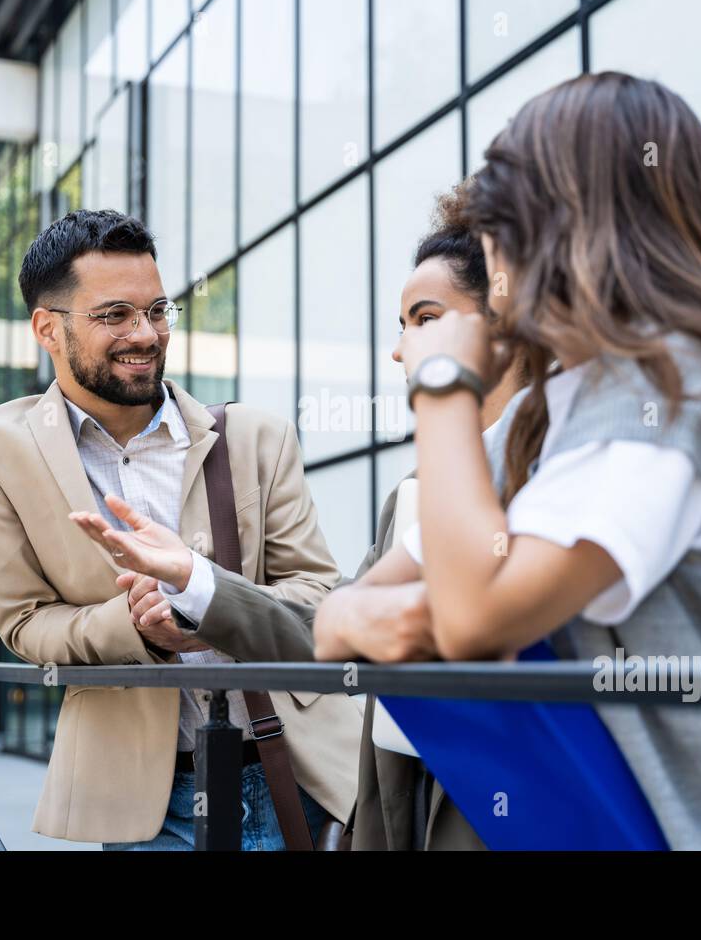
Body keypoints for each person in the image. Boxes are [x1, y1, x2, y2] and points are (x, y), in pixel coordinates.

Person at [354, 71, 701, 848]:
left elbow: (471, 617)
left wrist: (442, 385)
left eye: (507, 217)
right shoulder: (564, 408)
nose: (489, 245)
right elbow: (358, 605)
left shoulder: (671, 396)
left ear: (574, 221)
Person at [89, 186, 523, 848]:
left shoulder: (561, 491)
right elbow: (330, 629)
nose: (401, 353)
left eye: (424, 318)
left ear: (507, 317)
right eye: (401, 326)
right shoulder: (411, 495)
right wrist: (193, 578)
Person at [0, 209, 363, 850]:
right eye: (114, 315)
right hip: (145, 800)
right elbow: (24, 621)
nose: (145, 334)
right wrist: (134, 629)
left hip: (299, 772)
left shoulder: (257, 437)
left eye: (157, 310)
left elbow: (318, 599)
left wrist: (207, 602)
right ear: (47, 329)